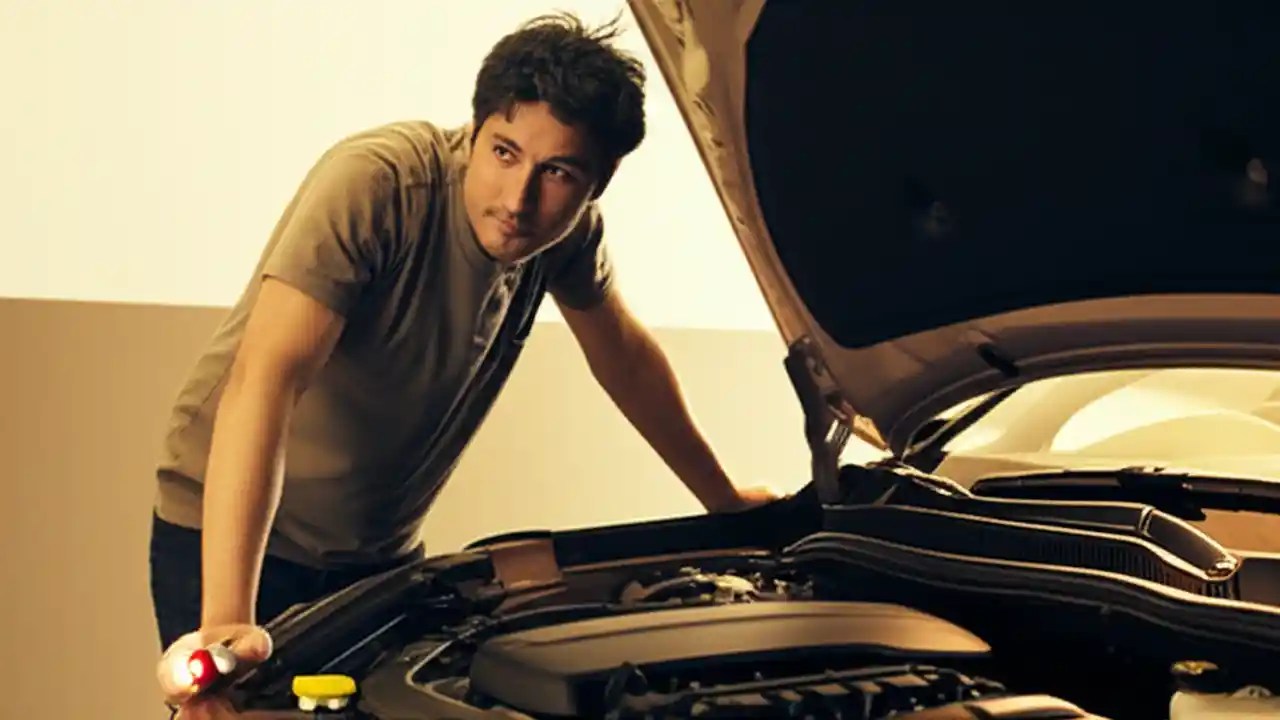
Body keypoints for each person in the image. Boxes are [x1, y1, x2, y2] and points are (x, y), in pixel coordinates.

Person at [150, 12, 777, 714]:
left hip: (378, 555)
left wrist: (724, 504)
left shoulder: (566, 238)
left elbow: (625, 359)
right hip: (233, 532)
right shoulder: (378, 183)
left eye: (558, 172)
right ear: (475, 131)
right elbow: (264, 382)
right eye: (505, 153)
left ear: (600, 180)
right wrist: (227, 622)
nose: (518, 201)